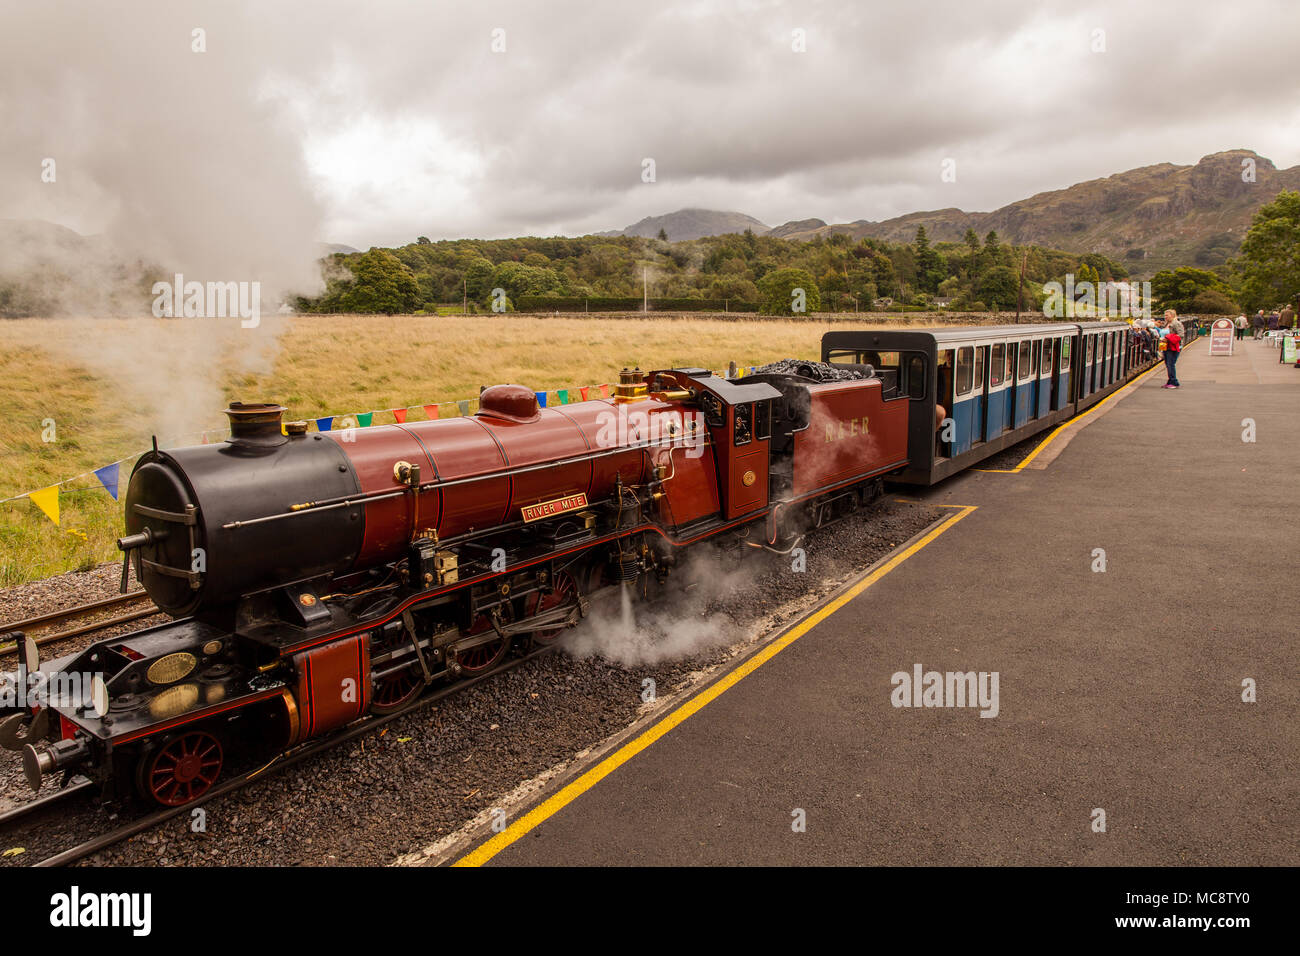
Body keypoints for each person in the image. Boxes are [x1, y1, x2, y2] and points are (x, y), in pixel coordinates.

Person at [1161, 322, 1182, 388]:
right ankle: (1170, 381)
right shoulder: (1165, 324)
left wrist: (1168, 338)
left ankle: (1174, 382)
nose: (1165, 316)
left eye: (1167, 315)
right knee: (1168, 364)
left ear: (1172, 315)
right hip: (1165, 346)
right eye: (1165, 315)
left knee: (1171, 364)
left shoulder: (1176, 324)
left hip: (1172, 347)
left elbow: (1181, 335)